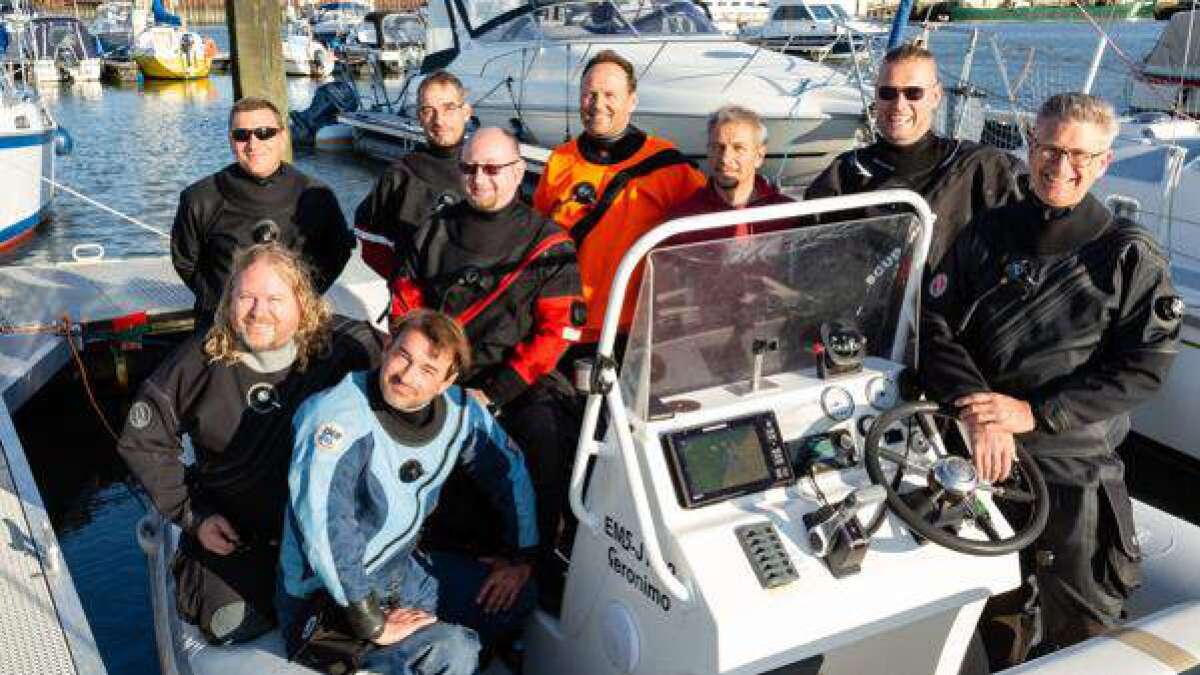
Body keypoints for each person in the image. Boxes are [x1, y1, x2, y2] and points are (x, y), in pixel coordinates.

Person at [920, 93, 1182, 667]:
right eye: (1049, 149)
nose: (1061, 167)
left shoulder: (1127, 255)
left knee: (1085, 634)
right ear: (1030, 147)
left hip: (1076, 474)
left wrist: (1035, 414)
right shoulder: (984, 235)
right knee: (997, 620)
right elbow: (935, 329)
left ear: (1105, 162)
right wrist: (980, 413)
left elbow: (1145, 366)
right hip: (989, 466)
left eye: (1079, 155)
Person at [118, 243, 383, 644]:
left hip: (322, 528)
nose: (259, 311)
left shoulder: (340, 348)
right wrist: (195, 516)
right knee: (230, 623)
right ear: (229, 301)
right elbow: (143, 440)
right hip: (237, 533)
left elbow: (409, 366)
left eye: (275, 298)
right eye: (247, 297)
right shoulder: (200, 359)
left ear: (302, 302)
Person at [383, 126, 583, 607]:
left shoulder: (549, 244)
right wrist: (431, 375)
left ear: (517, 173)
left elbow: (555, 333)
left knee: (547, 432)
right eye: (470, 168)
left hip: (517, 380)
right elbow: (405, 306)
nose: (480, 178)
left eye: (493, 169)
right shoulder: (435, 229)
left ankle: (528, 558)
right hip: (440, 371)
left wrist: (494, 393)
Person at [278, 309, 539, 674]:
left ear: (447, 381)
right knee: (454, 651)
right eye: (403, 355)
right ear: (387, 348)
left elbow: (509, 473)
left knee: (519, 595)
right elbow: (327, 527)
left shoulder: (462, 413)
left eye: (428, 370)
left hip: (400, 573)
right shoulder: (335, 418)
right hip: (326, 601)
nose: (407, 375)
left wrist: (519, 557)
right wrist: (371, 621)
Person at [533, 49, 706, 357]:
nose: (598, 104)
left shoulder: (666, 165)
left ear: (632, 101)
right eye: (590, 94)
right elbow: (535, 235)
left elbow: (711, 216)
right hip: (566, 326)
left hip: (634, 329)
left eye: (610, 94)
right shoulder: (560, 160)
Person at [805, 43, 1024, 268]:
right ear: (876, 96)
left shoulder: (979, 167)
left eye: (913, 93)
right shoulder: (845, 173)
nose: (899, 105)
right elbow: (807, 256)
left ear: (936, 96)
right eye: (888, 93)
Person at [171, 97, 354, 322]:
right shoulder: (199, 198)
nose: (253, 144)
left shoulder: (317, 196)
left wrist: (301, 298)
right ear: (231, 141)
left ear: (283, 136)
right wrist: (220, 301)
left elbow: (338, 252)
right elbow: (185, 261)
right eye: (242, 135)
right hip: (222, 322)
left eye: (265, 132)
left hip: (294, 322)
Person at [355, 70, 473, 279]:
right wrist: (404, 282)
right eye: (429, 111)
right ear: (419, 117)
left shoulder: (489, 168)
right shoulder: (401, 175)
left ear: (466, 112)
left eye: (449, 108)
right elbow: (368, 233)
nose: (439, 120)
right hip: (418, 301)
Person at [664, 104, 795, 244]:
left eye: (738, 148)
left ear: (759, 156)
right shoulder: (682, 221)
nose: (725, 158)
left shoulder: (787, 214)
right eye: (717, 147)